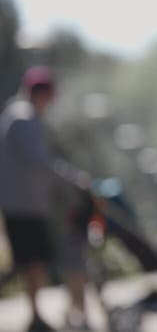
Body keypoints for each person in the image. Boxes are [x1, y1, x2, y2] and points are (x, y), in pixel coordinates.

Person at [0, 66, 90, 332]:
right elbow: (40, 160)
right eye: (48, 98)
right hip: (22, 205)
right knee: (31, 263)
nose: (48, 104)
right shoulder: (23, 117)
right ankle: (36, 317)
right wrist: (74, 178)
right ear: (40, 93)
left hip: (28, 204)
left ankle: (36, 316)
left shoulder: (22, 116)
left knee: (32, 261)